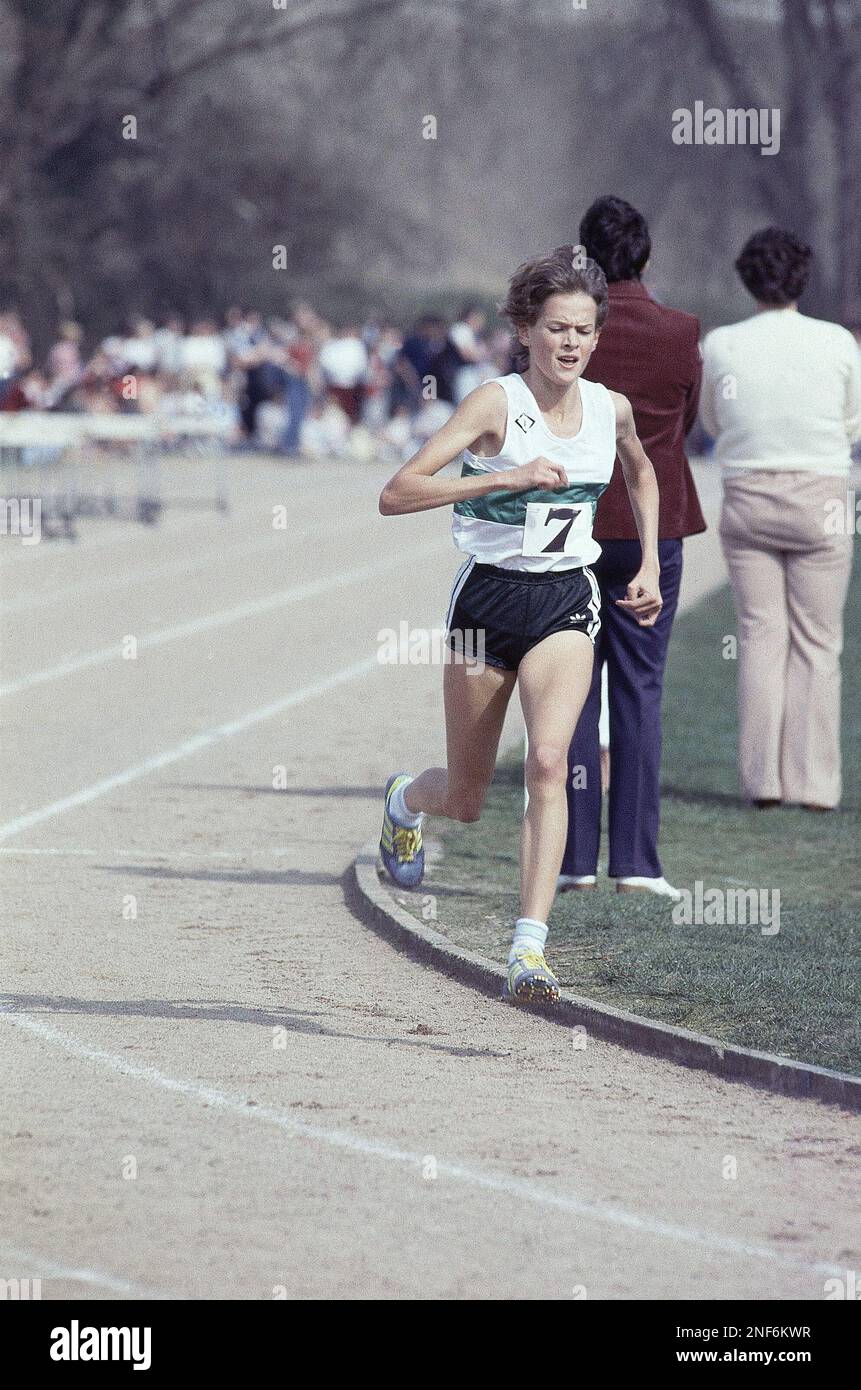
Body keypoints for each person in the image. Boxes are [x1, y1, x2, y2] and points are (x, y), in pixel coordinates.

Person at [376, 245, 661, 1004]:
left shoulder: (610, 408)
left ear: (597, 336)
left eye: (583, 331)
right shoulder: (493, 405)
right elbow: (397, 492)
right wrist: (505, 476)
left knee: (546, 762)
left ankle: (528, 949)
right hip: (485, 607)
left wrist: (647, 566)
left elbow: (640, 468)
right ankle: (406, 800)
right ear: (525, 330)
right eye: (556, 329)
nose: (571, 344)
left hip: (565, 601)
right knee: (465, 801)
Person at [561, 196, 704, 901]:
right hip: (652, 530)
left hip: (569, 528)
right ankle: (638, 865)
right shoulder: (680, 330)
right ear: (645, 257)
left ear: (583, 257)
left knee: (572, 692)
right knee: (640, 691)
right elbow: (686, 420)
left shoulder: (562, 330)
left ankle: (572, 859)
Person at [700, 227, 861, 810]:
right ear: (802, 278)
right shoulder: (837, 341)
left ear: (748, 279)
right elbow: (852, 422)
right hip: (821, 495)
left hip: (748, 494)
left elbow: (712, 421)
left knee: (761, 638)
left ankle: (762, 782)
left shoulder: (720, 344)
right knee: (818, 642)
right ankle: (813, 784)